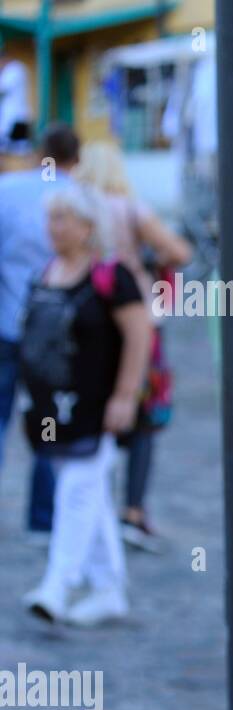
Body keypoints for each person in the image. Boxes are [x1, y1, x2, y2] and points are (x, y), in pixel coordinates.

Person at [19, 183, 152, 626]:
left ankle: (58, 584)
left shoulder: (112, 276)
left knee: (77, 490)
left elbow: (140, 335)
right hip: (50, 410)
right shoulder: (45, 272)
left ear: (87, 226)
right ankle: (108, 587)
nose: (53, 227)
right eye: (50, 218)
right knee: (87, 495)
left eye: (62, 218)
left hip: (96, 407)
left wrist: (125, 395)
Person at [76, 139, 191, 552]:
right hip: (140, 315)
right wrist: (144, 260)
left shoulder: (76, 208)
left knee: (92, 409)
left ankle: (93, 509)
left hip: (91, 319)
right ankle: (133, 511)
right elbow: (178, 251)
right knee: (144, 419)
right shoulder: (128, 207)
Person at [0, 124, 78, 545]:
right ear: (74, 158)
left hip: (6, 323)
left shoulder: (7, 189)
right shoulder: (77, 199)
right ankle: (42, 519)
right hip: (52, 335)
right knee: (48, 421)